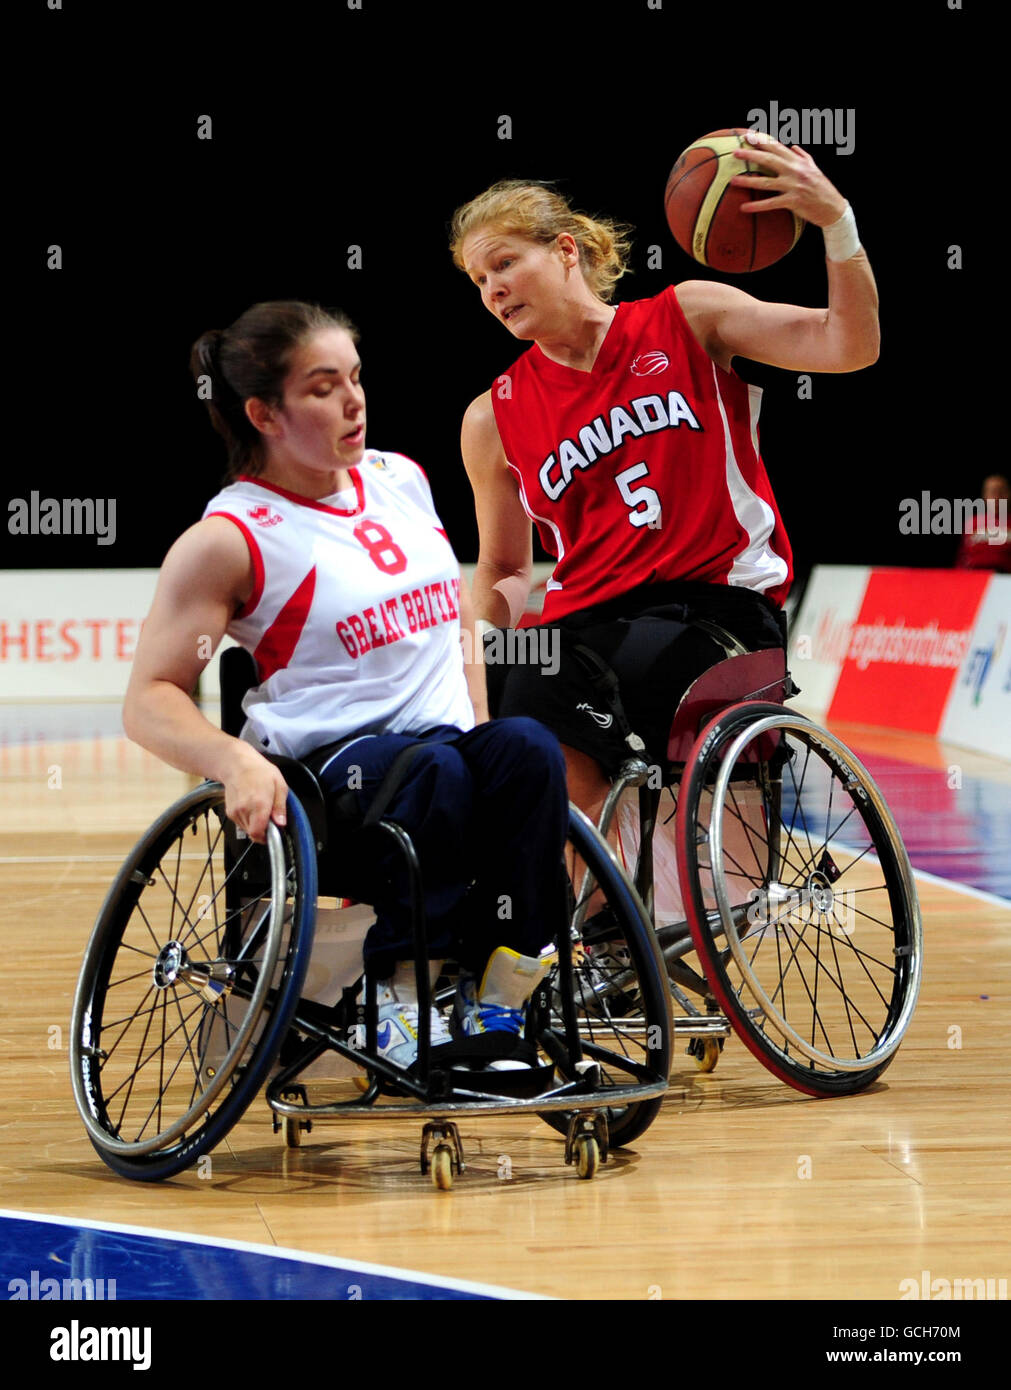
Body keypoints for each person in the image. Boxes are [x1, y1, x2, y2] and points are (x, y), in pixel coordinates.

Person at [122, 300, 569, 1072]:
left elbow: (458, 620)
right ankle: (397, 999)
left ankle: (501, 989)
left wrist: (480, 725)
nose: (353, 399)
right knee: (432, 771)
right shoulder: (230, 539)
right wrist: (234, 762)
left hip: (444, 754)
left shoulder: (400, 478)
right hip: (339, 781)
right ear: (264, 412)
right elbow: (149, 697)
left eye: (355, 378)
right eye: (322, 387)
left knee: (525, 749)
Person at [450, 132, 880, 827]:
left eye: (503, 263)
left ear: (565, 251)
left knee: (561, 677)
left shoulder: (686, 316)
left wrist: (836, 224)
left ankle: (612, 885)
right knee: (511, 690)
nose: (492, 288)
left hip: (716, 607)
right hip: (586, 623)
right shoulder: (491, 417)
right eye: (477, 281)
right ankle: (591, 915)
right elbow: (502, 563)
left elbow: (848, 345)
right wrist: (475, 661)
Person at [955, 475, 1011, 572]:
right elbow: (962, 559)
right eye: (993, 492)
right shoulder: (972, 523)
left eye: (1001, 492)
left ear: (1009, 494)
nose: (997, 497)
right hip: (975, 579)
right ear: (985, 495)